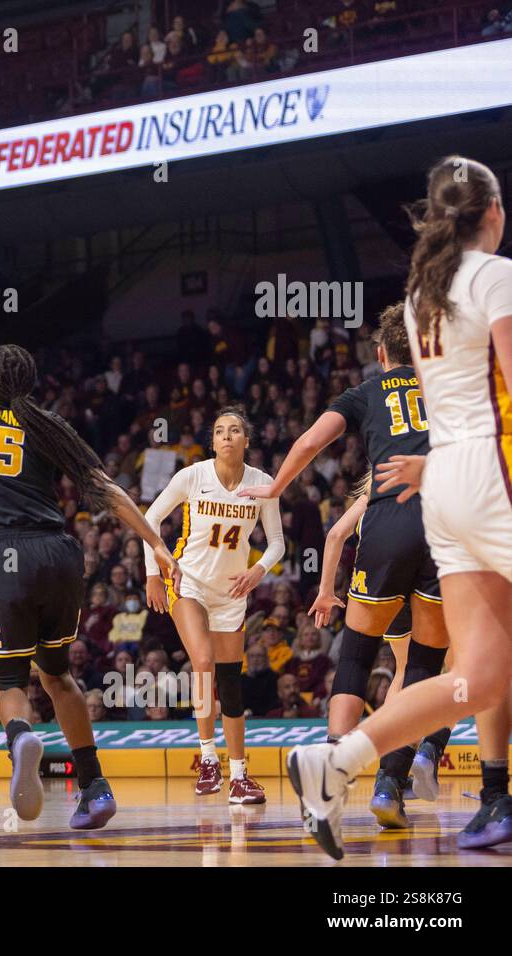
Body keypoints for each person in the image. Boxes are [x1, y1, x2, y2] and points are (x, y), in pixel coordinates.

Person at [0, 253, 180, 829]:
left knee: (10, 683)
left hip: (8, 556)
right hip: (61, 555)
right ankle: (94, 786)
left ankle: (21, 737)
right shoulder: (51, 426)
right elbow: (108, 490)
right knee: (60, 675)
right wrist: (157, 545)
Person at [290, 155, 512, 857]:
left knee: (476, 675)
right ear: (493, 213)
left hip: (444, 480)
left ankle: (338, 761)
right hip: (493, 474)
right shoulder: (494, 276)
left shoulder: (423, 296)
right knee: (477, 670)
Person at [246, 304, 452, 827]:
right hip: (448, 522)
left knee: (359, 655)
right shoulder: (448, 383)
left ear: (380, 353)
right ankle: (391, 783)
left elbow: (311, 442)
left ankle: (333, 773)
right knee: (425, 665)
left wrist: (273, 489)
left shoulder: (365, 391)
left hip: (388, 520)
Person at [142, 406, 284, 805]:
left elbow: (277, 542)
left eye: (235, 430)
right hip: (188, 582)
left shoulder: (262, 483)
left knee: (231, 684)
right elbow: (150, 518)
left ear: (246, 440)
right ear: (213, 441)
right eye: (219, 430)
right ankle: (207, 758)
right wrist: (154, 571)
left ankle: (239, 776)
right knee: (202, 662)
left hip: (233, 593)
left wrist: (259, 571)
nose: (226, 436)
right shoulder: (193, 476)